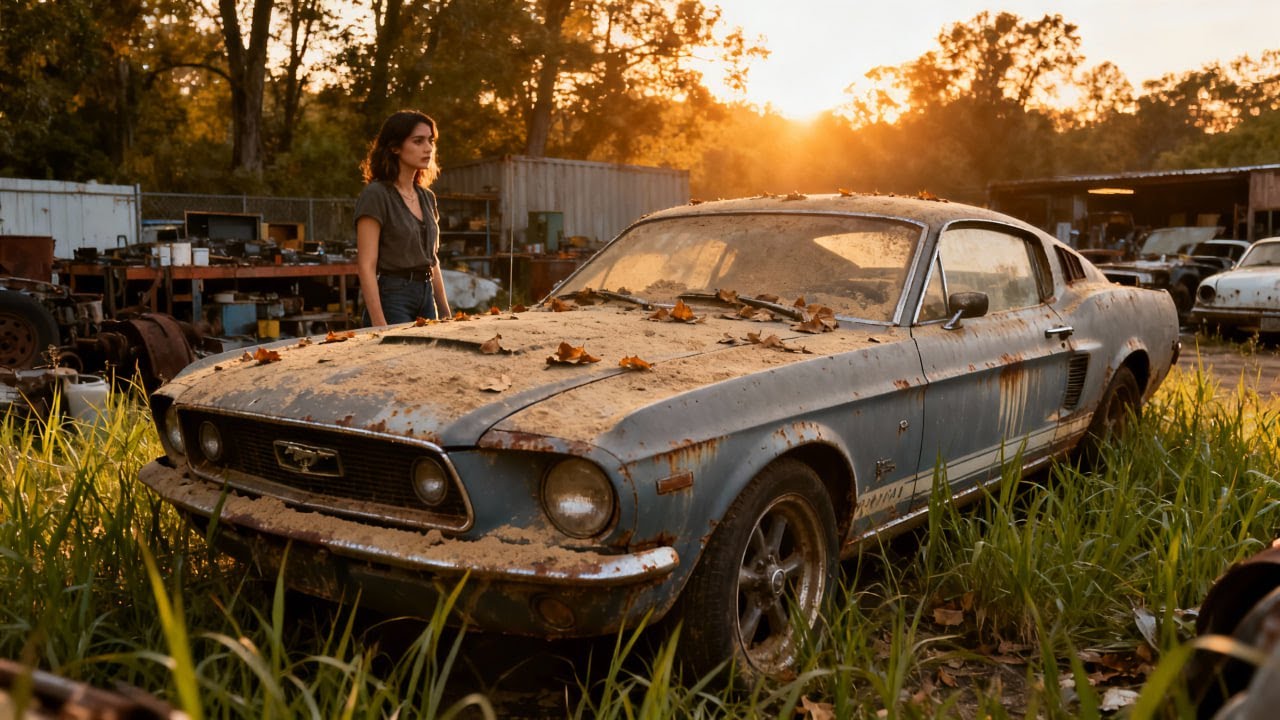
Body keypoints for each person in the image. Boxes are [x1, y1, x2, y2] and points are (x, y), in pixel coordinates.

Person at [355, 109, 451, 326]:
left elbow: (432, 260)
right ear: (395, 147)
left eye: (431, 141)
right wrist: (380, 325)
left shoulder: (427, 197)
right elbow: (366, 266)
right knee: (393, 359)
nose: (428, 148)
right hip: (393, 296)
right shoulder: (376, 195)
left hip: (426, 295)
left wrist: (445, 312)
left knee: (429, 358)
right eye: (418, 141)